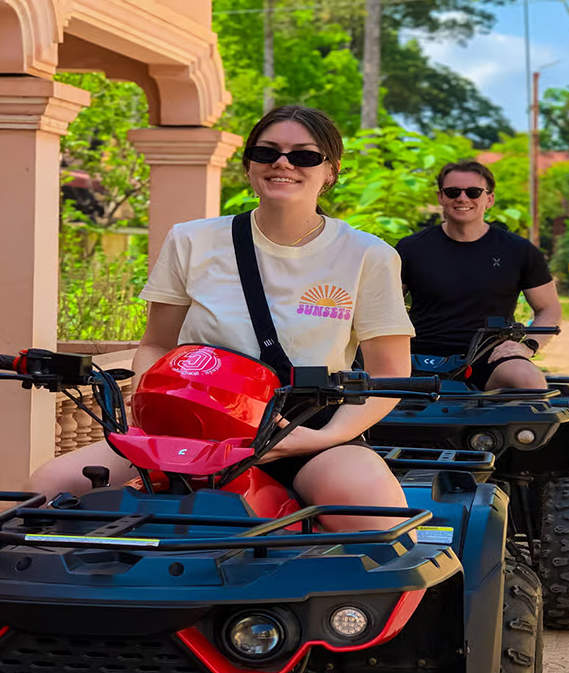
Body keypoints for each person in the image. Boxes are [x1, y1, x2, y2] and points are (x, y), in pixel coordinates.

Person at [30, 106, 416, 532]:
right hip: (189, 425)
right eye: (266, 152)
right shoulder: (192, 240)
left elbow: (390, 373)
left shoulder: (367, 254)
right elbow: (158, 342)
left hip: (301, 430)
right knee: (48, 489)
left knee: (375, 514)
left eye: (303, 155)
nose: (282, 164)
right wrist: (147, 403)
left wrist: (323, 438)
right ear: (249, 166)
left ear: (330, 171)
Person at [396, 161, 561, 389]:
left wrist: (528, 346)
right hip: (418, 355)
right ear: (440, 197)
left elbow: (550, 309)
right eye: (453, 192)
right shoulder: (410, 248)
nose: (462, 198)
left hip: (491, 355)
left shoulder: (519, 251)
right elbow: (383, 305)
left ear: (489, 199)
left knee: (528, 380)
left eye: (473, 192)